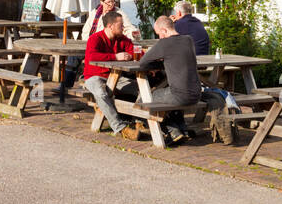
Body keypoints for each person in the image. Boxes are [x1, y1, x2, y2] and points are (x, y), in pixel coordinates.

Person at [139, 16, 204, 146]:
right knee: (171, 92)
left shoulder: (164, 43)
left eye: (158, 34)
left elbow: (143, 63)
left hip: (180, 95)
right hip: (197, 94)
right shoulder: (188, 40)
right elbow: (177, 57)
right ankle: (183, 129)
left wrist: (155, 68)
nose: (159, 37)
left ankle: (173, 131)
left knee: (144, 100)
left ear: (164, 30)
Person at [82, 10, 143, 141]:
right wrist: (115, 56)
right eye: (121, 25)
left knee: (142, 90)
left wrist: (134, 56)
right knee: (101, 94)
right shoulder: (95, 38)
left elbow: (135, 51)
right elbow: (92, 56)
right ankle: (120, 128)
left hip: (116, 77)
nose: (123, 28)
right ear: (110, 26)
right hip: (94, 76)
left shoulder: (122, 39)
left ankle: (139, 121)